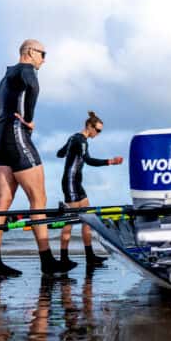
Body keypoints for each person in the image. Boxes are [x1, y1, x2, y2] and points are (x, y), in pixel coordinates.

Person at [0, 40, 67, 278]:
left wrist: (6, 125)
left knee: (1, 202)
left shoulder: (6, 77)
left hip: (0, 138)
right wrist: (27, 121)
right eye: (43, 53)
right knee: (38, 199)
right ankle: (47, 261)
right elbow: (33, 88)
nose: (44, 59)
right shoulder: (27, 70)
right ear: (30, 52)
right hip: (16, 136)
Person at [56, 111, 124, 270]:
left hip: (75, 182)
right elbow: (89, 160)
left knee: (88, 217)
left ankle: (90, 256)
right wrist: (111, 161)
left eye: (100, 131)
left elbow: (59, 153)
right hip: (71, 183)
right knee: (69, 221)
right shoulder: (81, 141)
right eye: (98, 130)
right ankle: (64, 258)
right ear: (89, 126)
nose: (98, 134)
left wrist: (67, 151)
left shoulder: (75, 138)